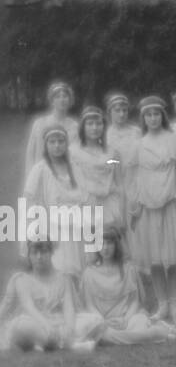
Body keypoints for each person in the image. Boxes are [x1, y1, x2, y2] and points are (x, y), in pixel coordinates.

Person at [125, 96, 176, 320]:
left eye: (156, 114)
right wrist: (136, 201)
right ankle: (162, 303)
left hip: (171, 202)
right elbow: (131, 175)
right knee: (154, 258)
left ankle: (174, 301)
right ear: (143, 118)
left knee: (173, 257)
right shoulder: (138, 144)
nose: (153, 118)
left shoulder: (175, 140)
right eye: (148, 115)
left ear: (162, 116)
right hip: (148, 205)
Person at [79, 227, 176, 344]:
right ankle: (155, 333)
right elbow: (90, 305)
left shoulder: (128, 269)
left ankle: (129, 336)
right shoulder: (89, 273)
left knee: (139, 321)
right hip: (102, 321)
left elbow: (134, 302)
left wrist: (125, 320)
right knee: (97, 330)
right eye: (101, 243)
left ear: (116, 245)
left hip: (128, 319)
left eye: (109, 243)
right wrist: (104, 321)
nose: (105, 248)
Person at [0, 241, 102, 352]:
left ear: (51, 253)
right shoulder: (21, 279)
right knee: (19, 325)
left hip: (59, 322)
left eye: (43, 252)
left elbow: (69, 307)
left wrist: (70, 328)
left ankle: (43, 345)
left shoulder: (64, 278)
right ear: (29, 255)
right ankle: (70, 346)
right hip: (37, 323)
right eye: (34, 253)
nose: (39, 257)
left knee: (97, 320)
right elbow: (29, 307)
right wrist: (47, 326)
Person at [24, 123, 90, 279]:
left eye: (61, 142)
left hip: (75, 224)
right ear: (45, 145)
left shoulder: (74, 168)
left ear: (66, 144)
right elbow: (29, 198)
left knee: (78, 266)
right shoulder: (40, 169)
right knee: (60, 266)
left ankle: (76, 298)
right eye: (52, 142)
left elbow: (85, 195)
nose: (57, 146)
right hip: (53, 225)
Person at [71, 106, 125, 239]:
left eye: (98, 123)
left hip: (108, 206)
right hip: (84, 205)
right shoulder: (72, 152)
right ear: (83, 127)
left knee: (109, 246)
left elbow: (119, 183)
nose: (95, 128)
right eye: (90, 124)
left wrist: (121, 211)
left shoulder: (113, 153)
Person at [25, 80, 78, 177]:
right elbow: (30, 153)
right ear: (52, 101)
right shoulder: (39, 123)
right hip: (42, 174)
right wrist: (30, 176)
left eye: (65, 96)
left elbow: (76, 155)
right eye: (57, 97)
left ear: (70, 100)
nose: (62, 100)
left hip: (65, 175)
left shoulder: (75, 126)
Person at [104, 92, 141, 168]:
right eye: (117, 110)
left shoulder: (136, 132)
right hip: (113, 174)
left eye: (124, 110)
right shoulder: (105, 134)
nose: (122, 114)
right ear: (110, 112)